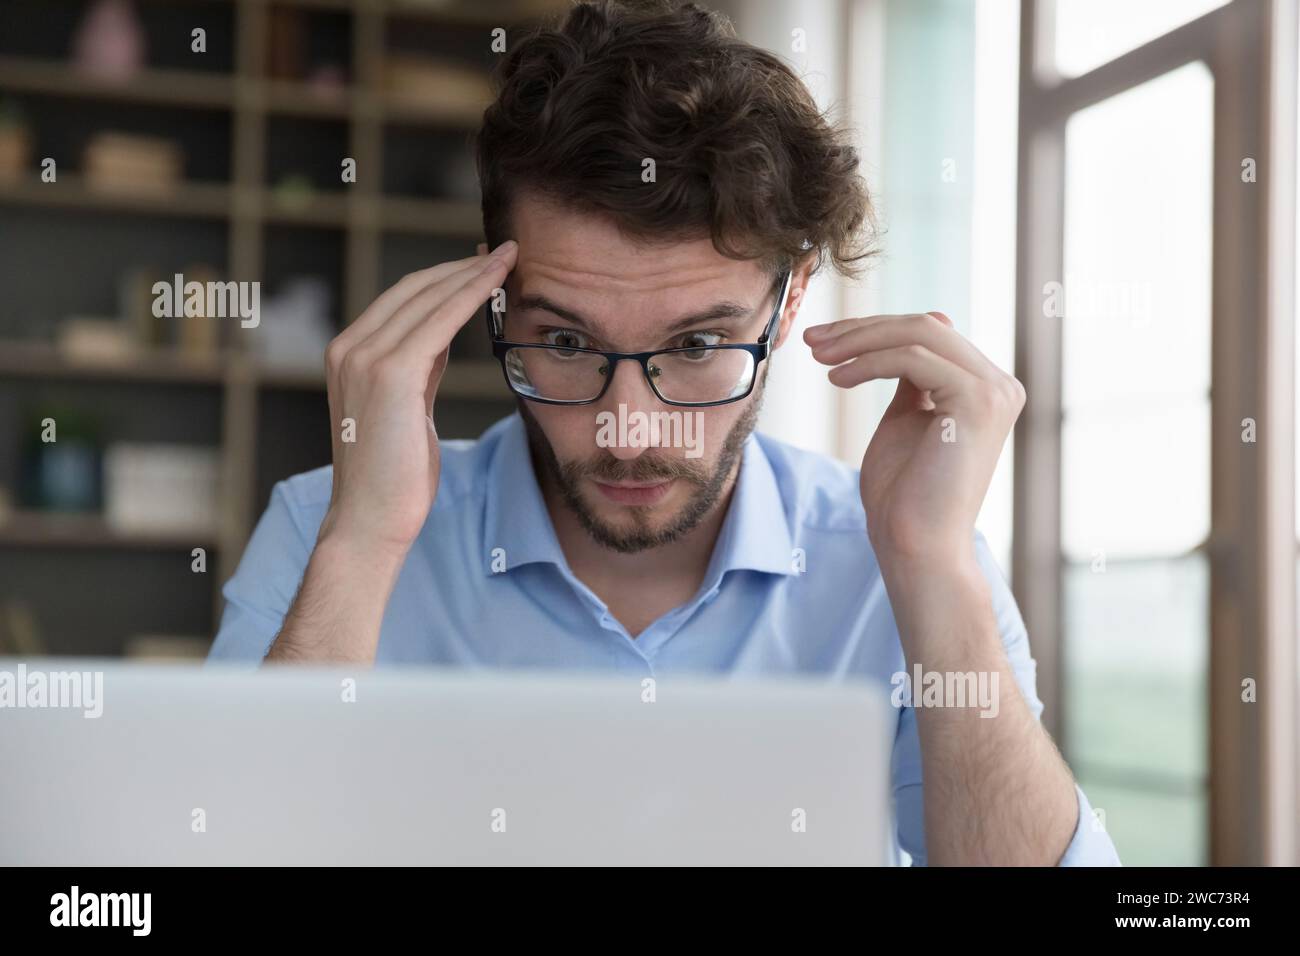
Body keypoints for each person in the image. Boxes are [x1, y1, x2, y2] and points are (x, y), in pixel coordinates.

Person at [209, 0, 1120, 866]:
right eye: (565, 342)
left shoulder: (911, 558)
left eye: (697, 345)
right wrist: (365, 544)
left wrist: (932, 565)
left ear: (792, 298)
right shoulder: (328, 525)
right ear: (490, 300)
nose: (627, 428)